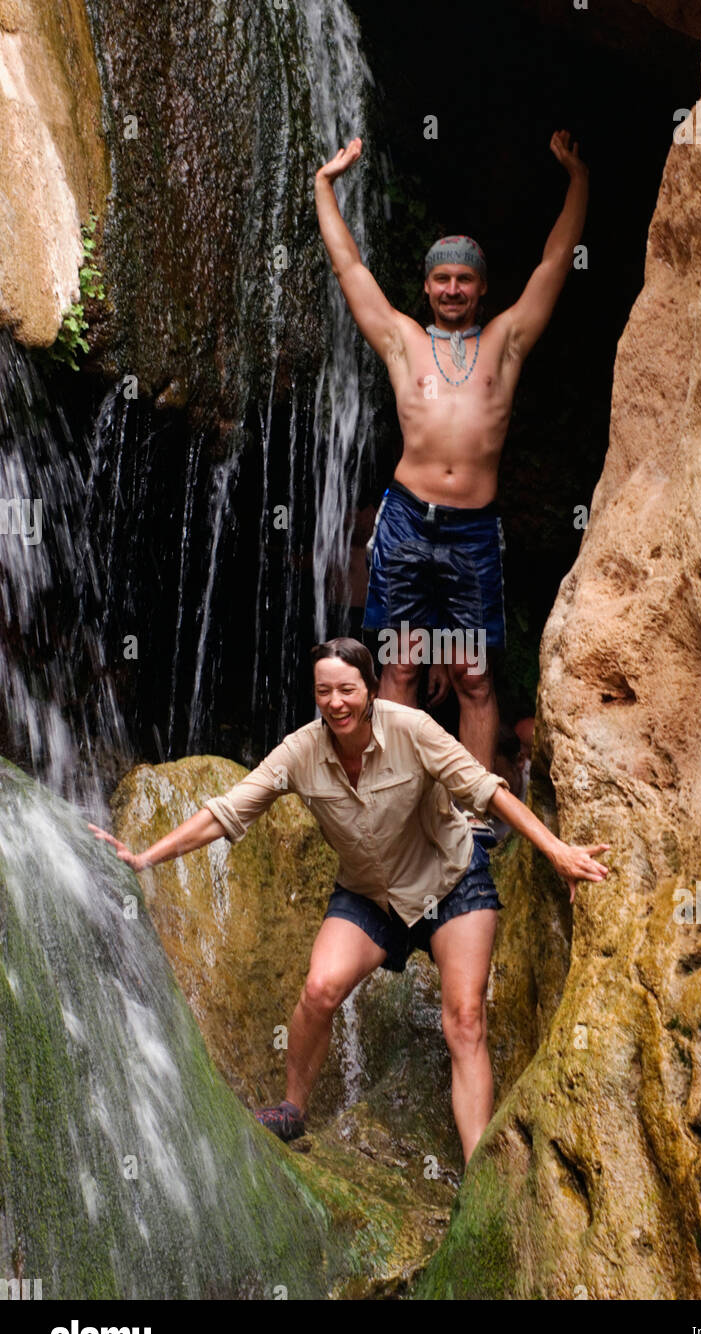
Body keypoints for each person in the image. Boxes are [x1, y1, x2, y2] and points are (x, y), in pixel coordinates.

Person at [87, 638, 610, 1168]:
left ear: (371, 689)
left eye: (346, 689)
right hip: (368, 894)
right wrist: (145, 857)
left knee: (466, 1017)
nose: (335, 702)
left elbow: (486, 789)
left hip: (449, 883)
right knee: (319, 989)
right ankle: (292, 1109)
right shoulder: (301, 751)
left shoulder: (412, 730)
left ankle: (477, 1174)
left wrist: (557, 851)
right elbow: (226, 811)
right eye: (324, 692)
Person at [314, 130, 589, 794]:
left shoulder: (505, 342)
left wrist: (578, 179)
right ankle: (395, 798)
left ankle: (472, 809)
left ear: (483, 288)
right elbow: (350, 268)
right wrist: (325, 184)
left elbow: (555, 262)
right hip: (408, 521)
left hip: (470, 533)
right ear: (427, 285)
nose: (452, 289)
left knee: (472, 674)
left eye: (464, 279)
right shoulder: (403, 341)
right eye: (442, 279)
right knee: (402, 666)